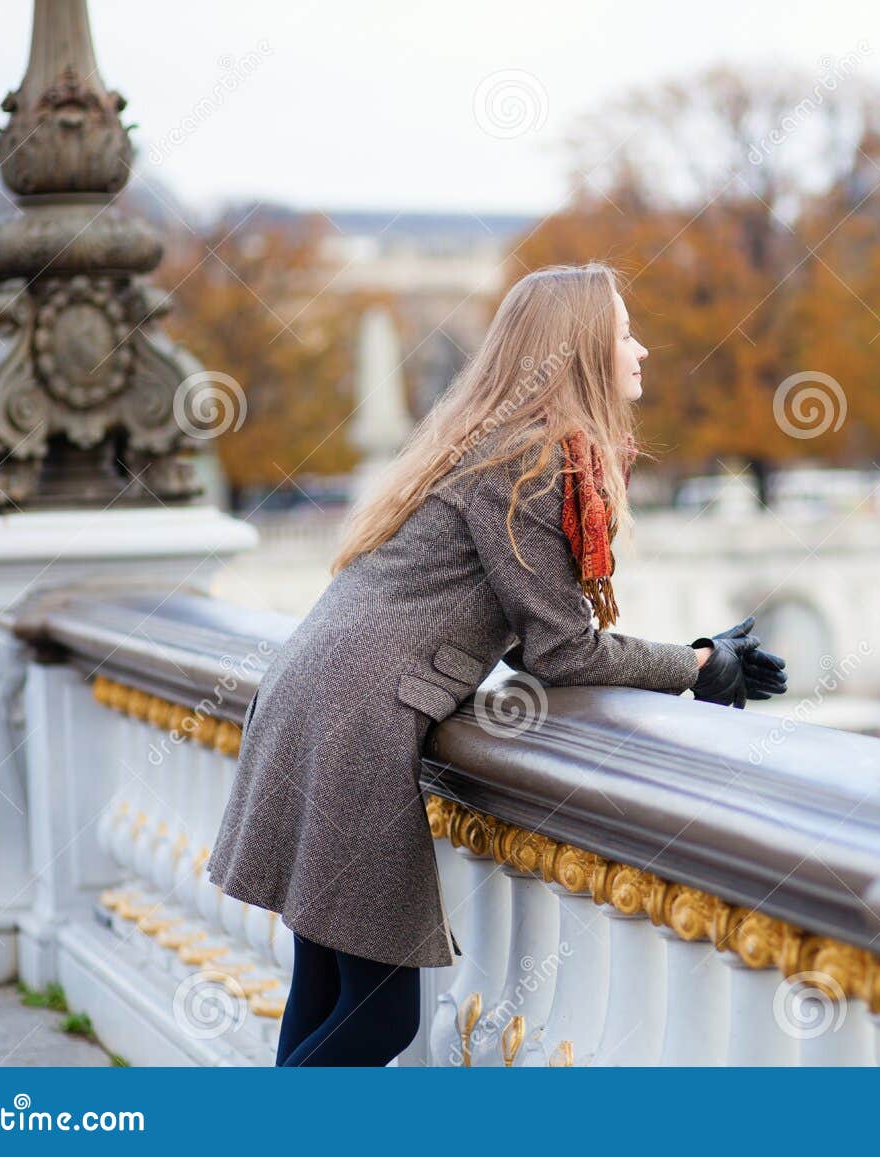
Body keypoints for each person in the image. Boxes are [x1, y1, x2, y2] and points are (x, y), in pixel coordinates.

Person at [206, 262, 788, 1066]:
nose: (641, 349)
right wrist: (698, 665)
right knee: (379, 1017)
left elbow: (525, 626)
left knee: (327, 994)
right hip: (356, 723)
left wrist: (690, 654)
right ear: (583, 349)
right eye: (624, 332)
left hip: (316, 700)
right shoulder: (534, 460)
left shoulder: (491, 443)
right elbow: (561, 649)